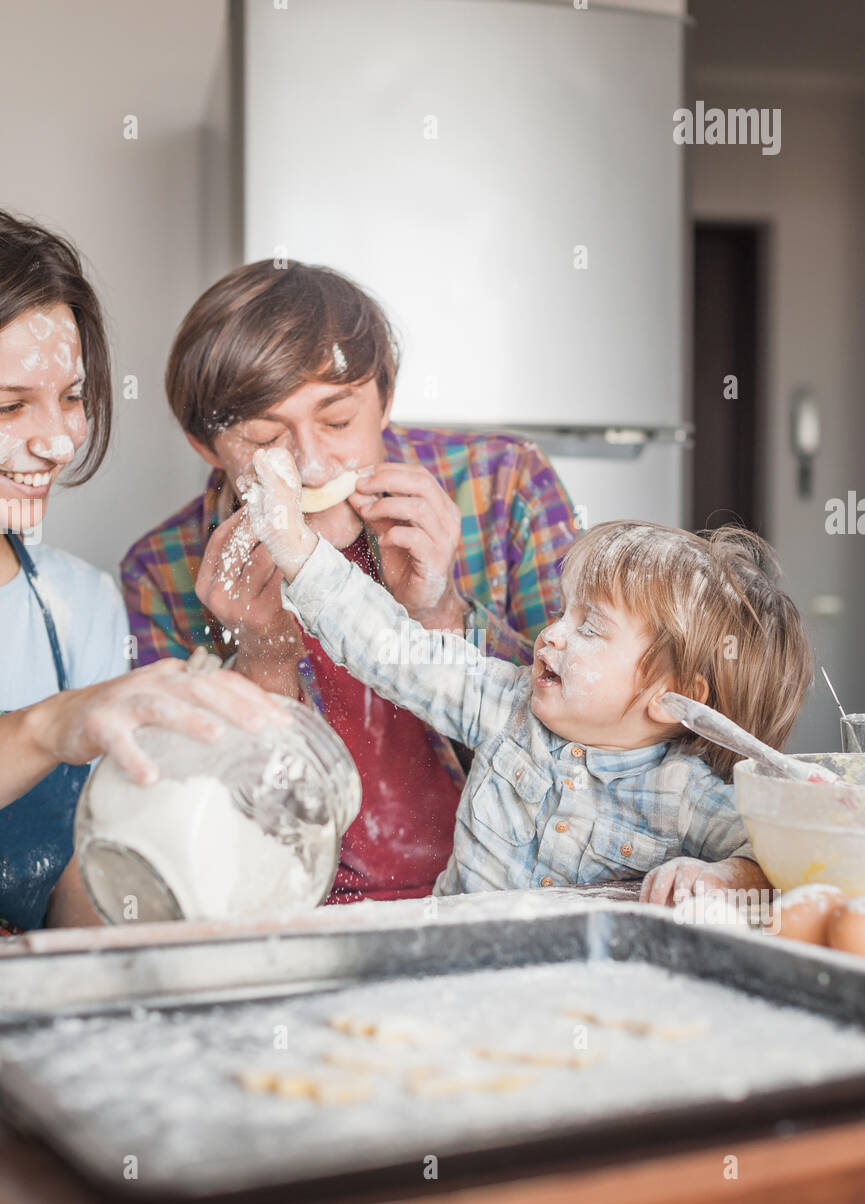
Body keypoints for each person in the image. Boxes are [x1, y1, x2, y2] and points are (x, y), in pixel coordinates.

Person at [121, 260, 580, 904]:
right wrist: (264, 663)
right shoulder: (160, 572)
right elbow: (186, 849)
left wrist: (440, 612)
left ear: (385, 399)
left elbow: (598, 744)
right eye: (263, 438)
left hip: (503, 899)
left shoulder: (506, 486)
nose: (310, 466)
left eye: (337, 422)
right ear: (206, 446)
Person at [247, 443, 813, 905]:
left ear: (672, 699)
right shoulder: (503, 705)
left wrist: (722, 878)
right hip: (457, 977)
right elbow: (396, 650)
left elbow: (787, 855)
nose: (551, 635)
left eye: (588, 628)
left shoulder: (683, 794)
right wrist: (297, 549)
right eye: (562, 612)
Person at [0, 211, 292, 933]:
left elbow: (74, 888)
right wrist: (46, 729)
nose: (61, 440)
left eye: (72, 397)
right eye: (9, 405)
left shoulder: (81, 605)